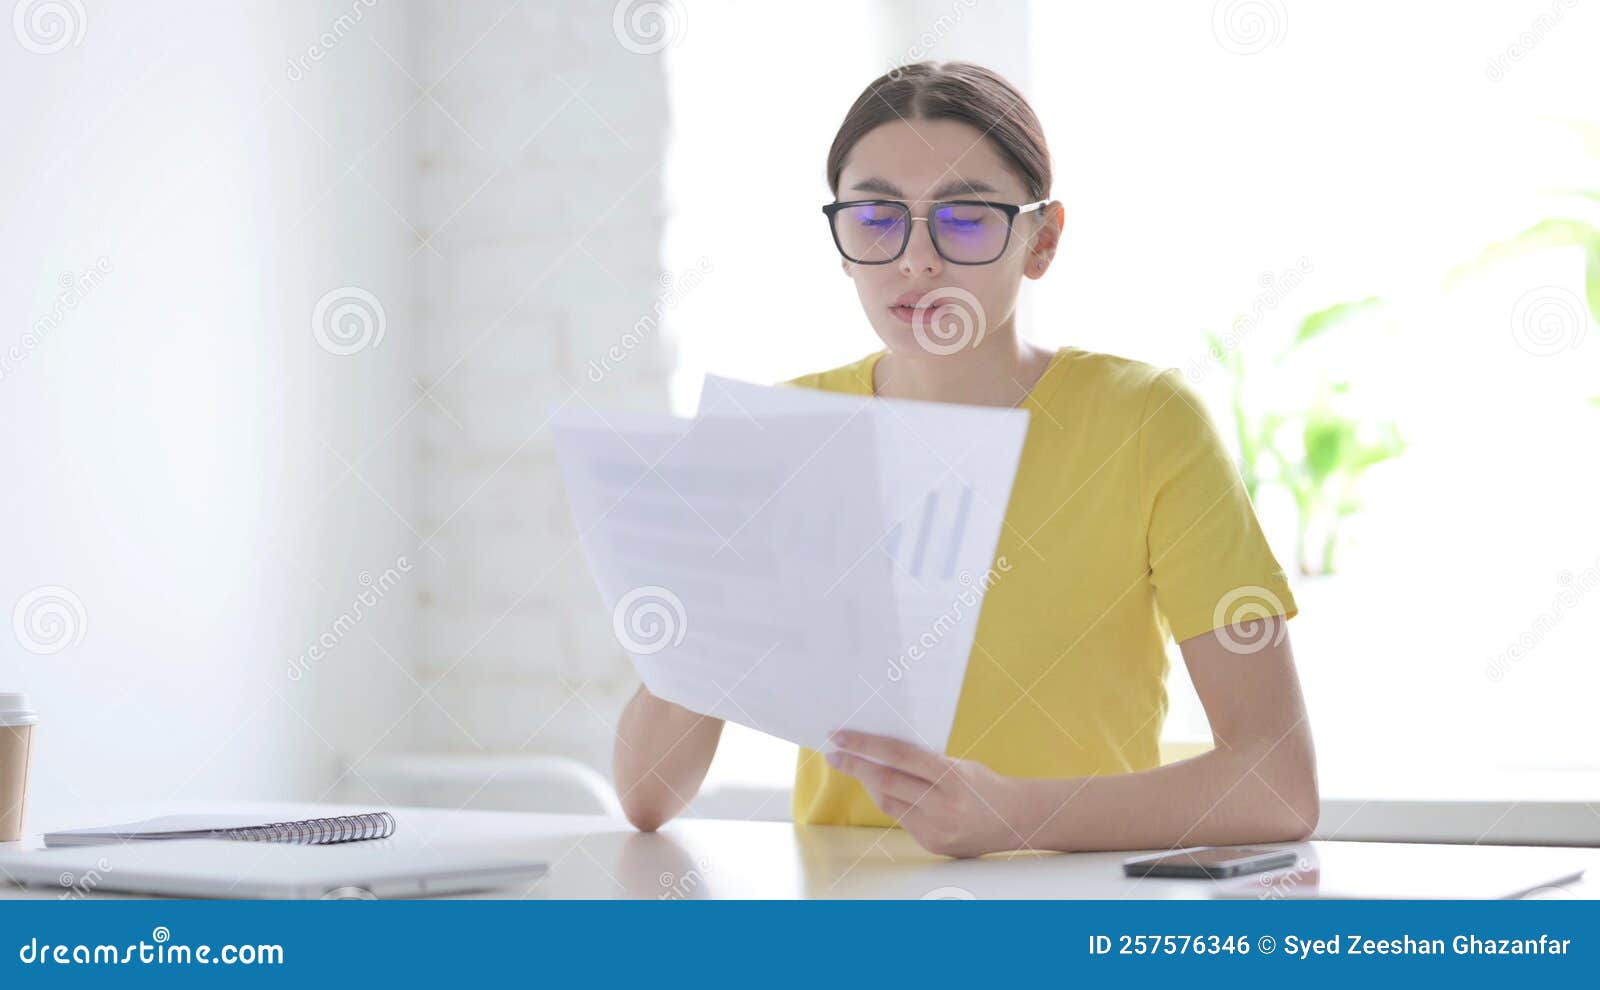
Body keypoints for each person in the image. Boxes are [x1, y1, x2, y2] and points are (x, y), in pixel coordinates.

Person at [614, 61, 1316, 859]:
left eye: (967, 219)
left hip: (1067, 910)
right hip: (844, 919)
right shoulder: (784, 432)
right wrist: (714, 597)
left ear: (1041, 240)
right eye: (878, 217)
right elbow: (647, 797)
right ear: (842, 243)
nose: (916, 260)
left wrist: (1016, 814)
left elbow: (1277, 784)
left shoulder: (1147, 422)